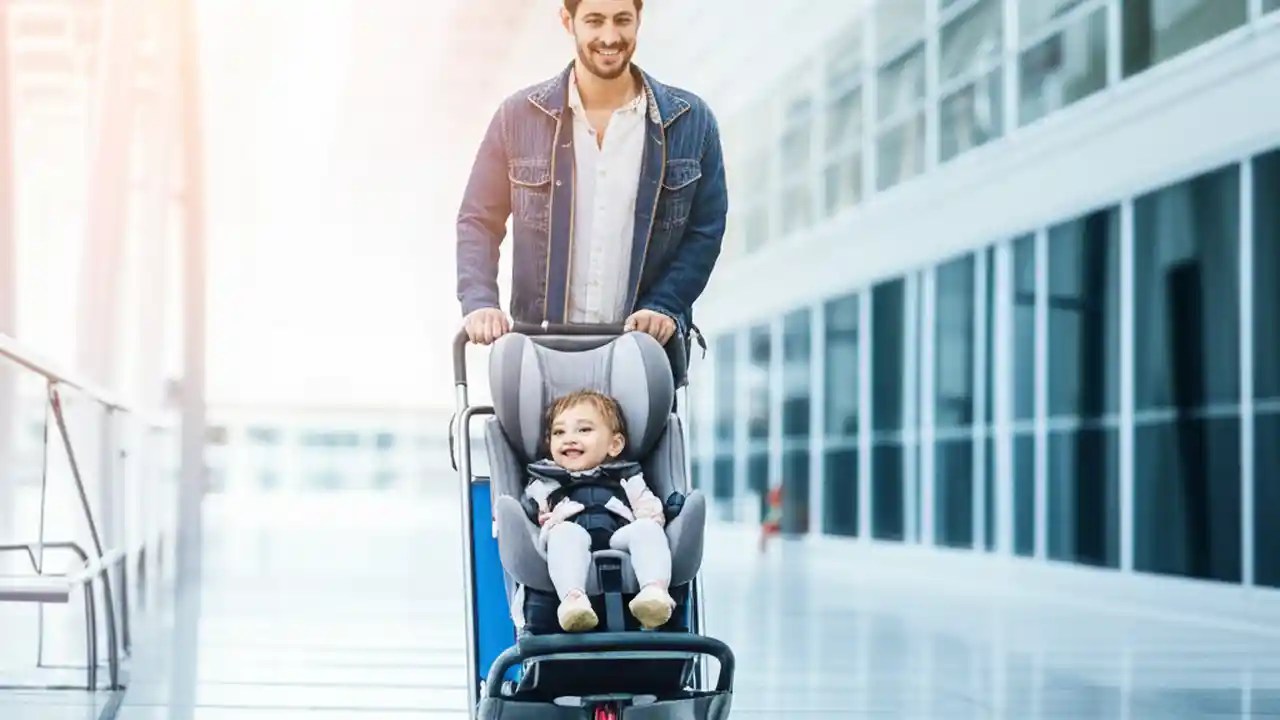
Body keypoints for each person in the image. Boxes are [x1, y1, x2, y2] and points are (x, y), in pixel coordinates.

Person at [456, 0, 728, 360]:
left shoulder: (692, 122)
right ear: (568, 21)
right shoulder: (517, 118)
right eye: (595, 21)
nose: (610, 36)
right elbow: (478, 220)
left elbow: (705, 230)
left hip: (642, 360)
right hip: (539, 354)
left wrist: (664, 305)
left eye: (622, 20)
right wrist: (479, 302)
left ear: (639, 20)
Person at [523, 389, 675, 632]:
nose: (569, 438)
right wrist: (541, 514)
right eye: (559, 432)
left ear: (614, 445)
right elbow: (532, 509)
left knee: (648, 529)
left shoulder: (627, 477)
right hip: (572, 532)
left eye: (584, 430)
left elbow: (648, 506)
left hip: (619, 535)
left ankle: (654, 593)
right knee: (563, 535)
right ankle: (573, 601)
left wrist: (649, 521)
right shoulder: (546, 481)